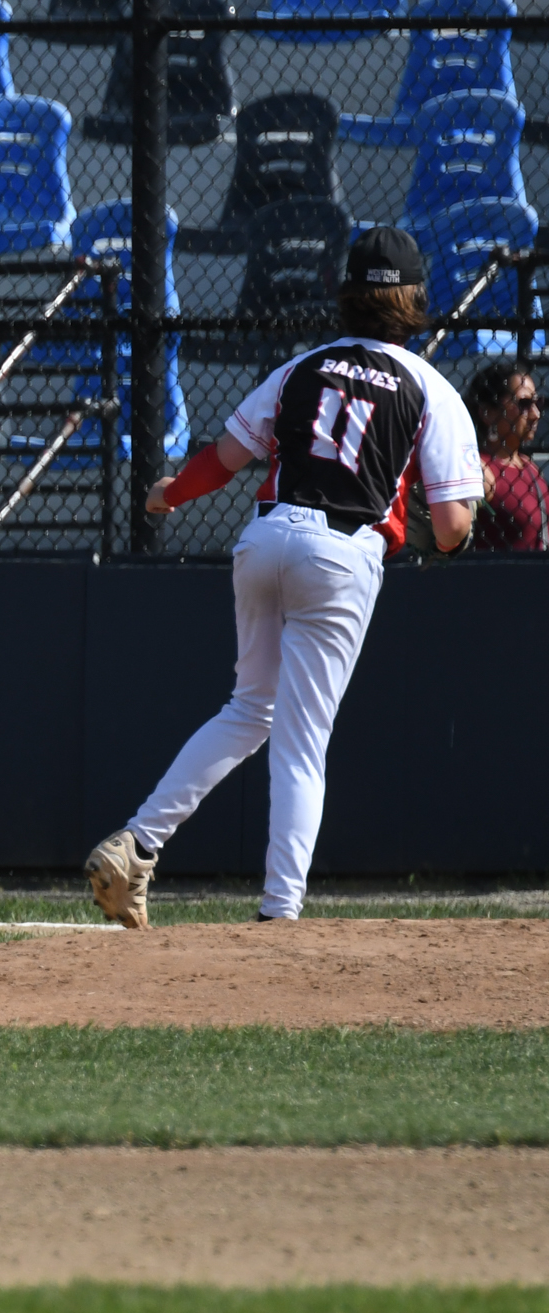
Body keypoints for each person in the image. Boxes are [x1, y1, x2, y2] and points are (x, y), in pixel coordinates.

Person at [85, 227, 483, 927]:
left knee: (248, 710)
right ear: (415, 298)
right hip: (341, 554)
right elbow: (450, 528)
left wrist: (168, 493)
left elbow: (228, 456)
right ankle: (280, 913)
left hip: (266, 537)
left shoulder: (303, 366)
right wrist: (460, 522)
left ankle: (137, 843)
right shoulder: (431, 389)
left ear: (349, 296)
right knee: (302, 739)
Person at [461, 358, 548, 552]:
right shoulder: (480, 471)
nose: (536, 414)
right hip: (499, 578)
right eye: (524, 403)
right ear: (488, 413)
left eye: (538, 402)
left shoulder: (530, 467)